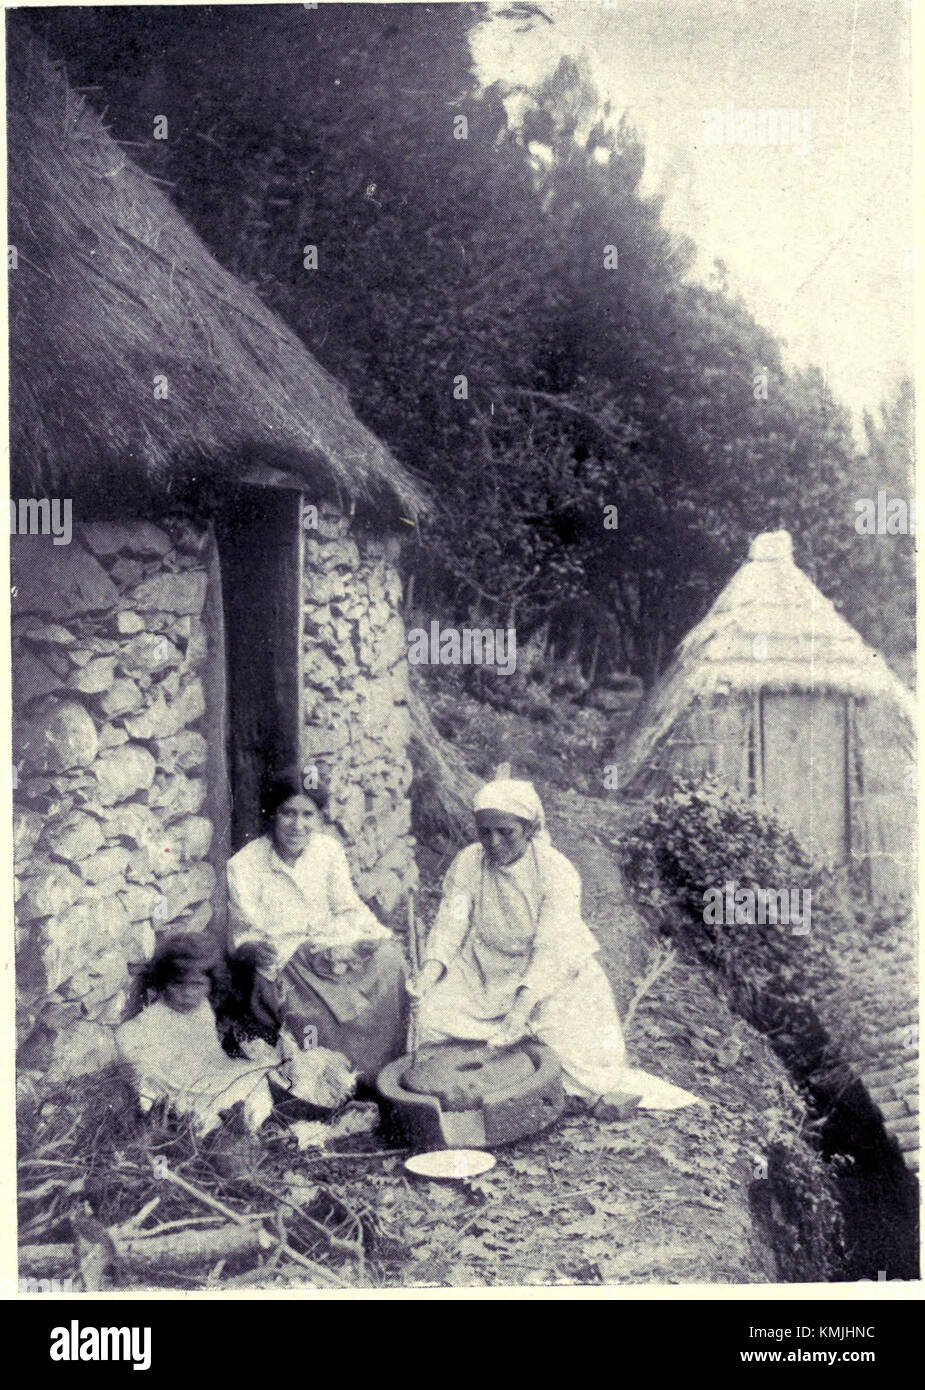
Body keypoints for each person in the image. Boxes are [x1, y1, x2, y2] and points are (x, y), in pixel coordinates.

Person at [412, 774, 699, 1111]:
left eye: (506, 832)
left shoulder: (555, 871)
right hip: (485, 967)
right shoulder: (469, 862)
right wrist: (428, 976)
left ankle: (530, 1082)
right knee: (429, 1017)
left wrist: (521, 1008)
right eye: (484, 832)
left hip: (552, 974)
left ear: (529, 829)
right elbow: (451, 923)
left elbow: (552, 947)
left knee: (574, 1063)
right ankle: (470, 1082)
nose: (494, 842)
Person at [225, 769, 407, 1084]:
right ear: (272, 814)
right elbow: (244, 934)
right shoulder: (245, 865)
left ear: (319, 818)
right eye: (288, 813)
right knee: (315, 1017)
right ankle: (337, 1083)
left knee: (391, 961)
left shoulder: (327, 851)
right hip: (288, 962)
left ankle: (384, 1072)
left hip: (330, 946)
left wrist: (370, 938)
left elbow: (348, 906)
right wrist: (252, 948)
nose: (298, 825)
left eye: (308, 815)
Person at [115, 932, 274, 1136]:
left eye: (197, 984)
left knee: (256, 1080)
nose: (188, 993)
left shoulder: (201, 1008)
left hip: (209, 1079)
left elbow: (210, 1055)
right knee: (209, 1110)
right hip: (182, 1094)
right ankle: (222, 1130)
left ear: (210, 984)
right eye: (178, 984)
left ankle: (243, 1128)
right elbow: (135, 1054)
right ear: (163, 982)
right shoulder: (148, 1023)